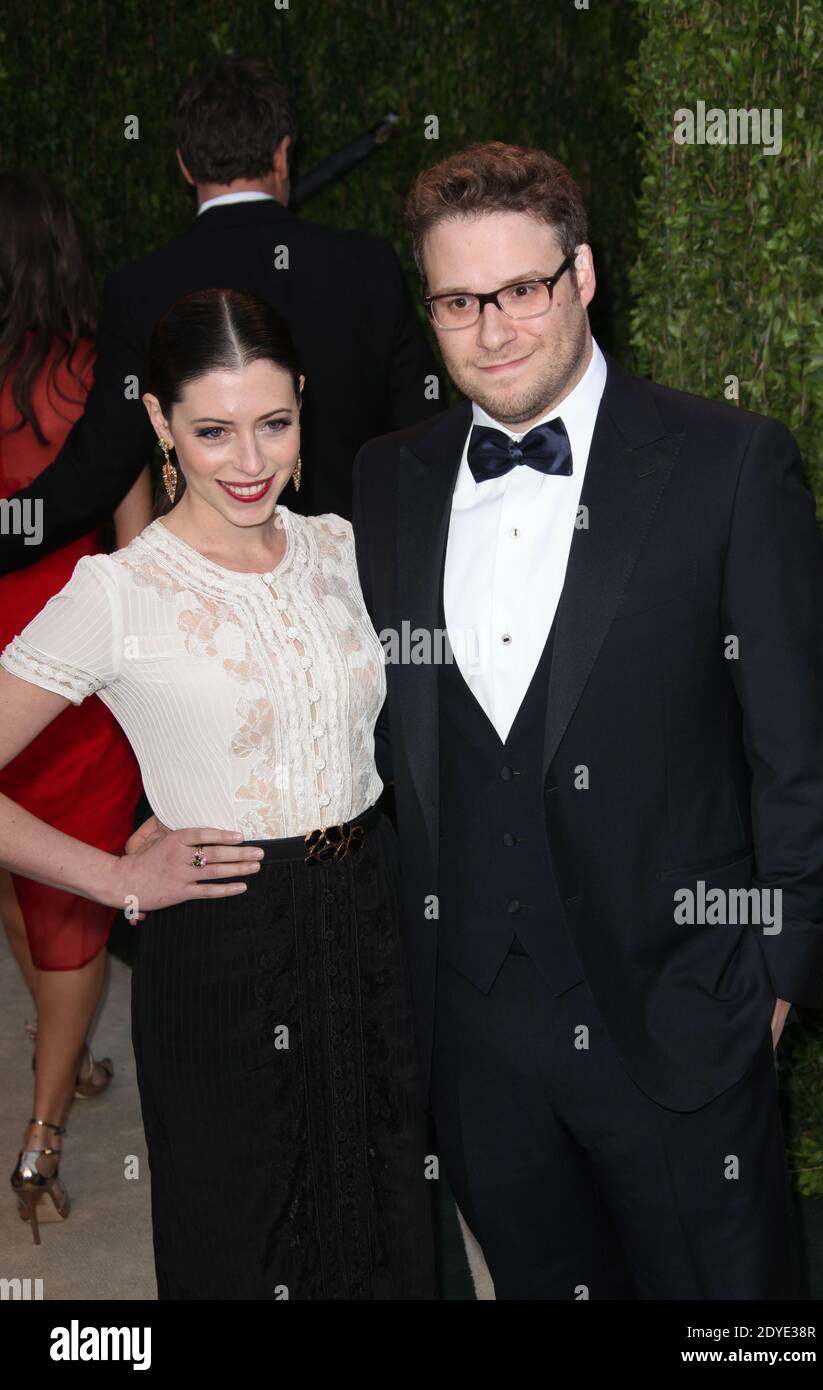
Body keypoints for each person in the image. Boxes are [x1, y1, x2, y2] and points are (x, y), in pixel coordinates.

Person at [348, 141, 823, 1299]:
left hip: (681, 1014)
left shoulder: (727, 463)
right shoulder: (388, 477)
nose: (492, 330)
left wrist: (775, 979)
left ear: (581, 275)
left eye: (521, 288)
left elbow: (804, 748)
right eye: (458, 301)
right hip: (473, 1034)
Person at [0, 286, 435, 1298]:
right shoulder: (120, 592)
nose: (249, 462)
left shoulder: (342, 547)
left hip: (369, 923)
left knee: (382, 1217)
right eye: (212, 431)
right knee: (243, 1236)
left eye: (274, 423)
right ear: (158, 420)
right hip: (221, 938)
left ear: (302, 404)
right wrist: (112, 877)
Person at [0, 55, 444, 577]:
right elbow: (425, 432)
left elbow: (96, 472)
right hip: (353, 578)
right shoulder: (366, 263)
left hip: (209, 586)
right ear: (283, 154)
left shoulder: (140, 286)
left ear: (185, 165)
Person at [0, 169, 147, 1244]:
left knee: (20, 879)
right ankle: (41, 1135)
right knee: (71, 908)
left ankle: (70, 1060)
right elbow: (135, 550)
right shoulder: (97, 380)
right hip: (70, 679)